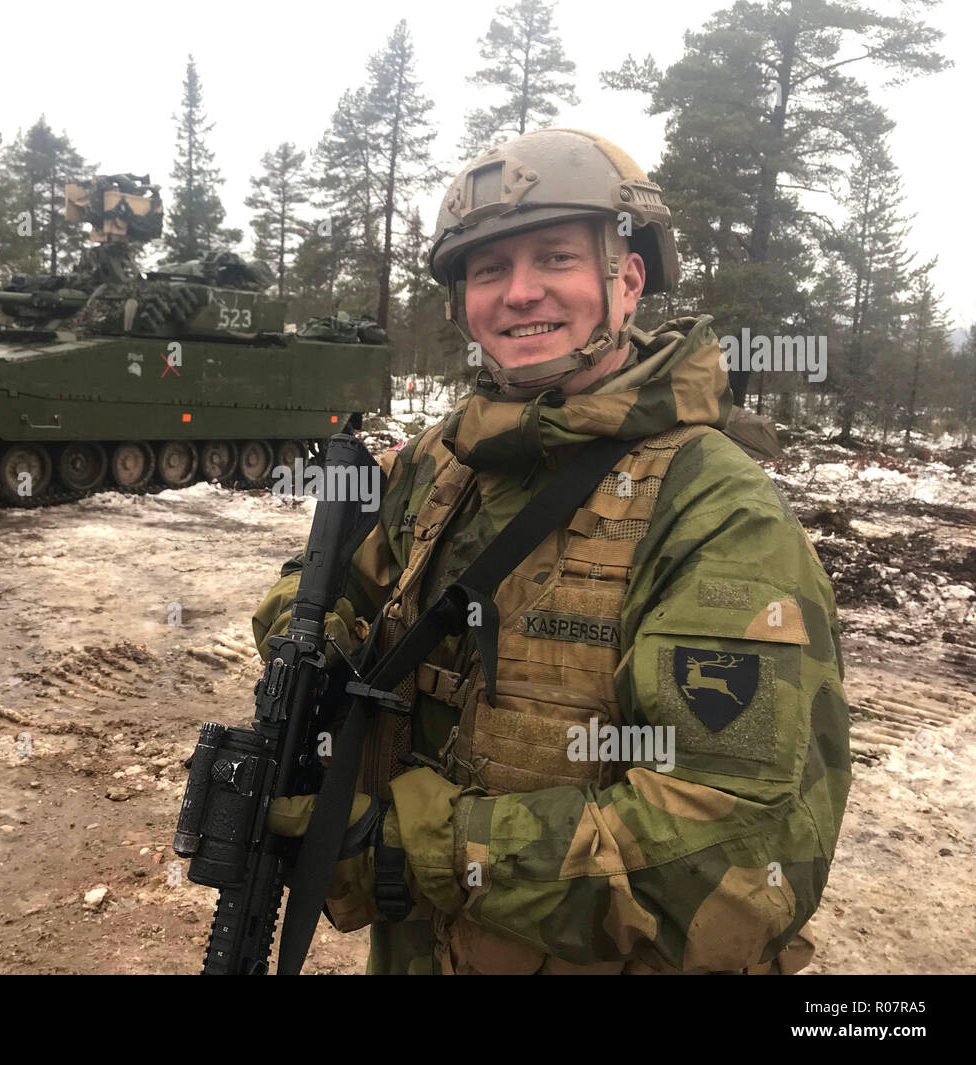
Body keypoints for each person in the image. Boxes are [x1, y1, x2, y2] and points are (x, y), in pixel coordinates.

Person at [254, 128, 850, 975]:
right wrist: (301, 635)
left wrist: (414, 846)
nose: (519, 292)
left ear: (627, 278)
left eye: (556, 257)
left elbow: (735, 857)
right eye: (488, 269)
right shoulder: (439, 462)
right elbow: (326, 582)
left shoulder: (715, 511)